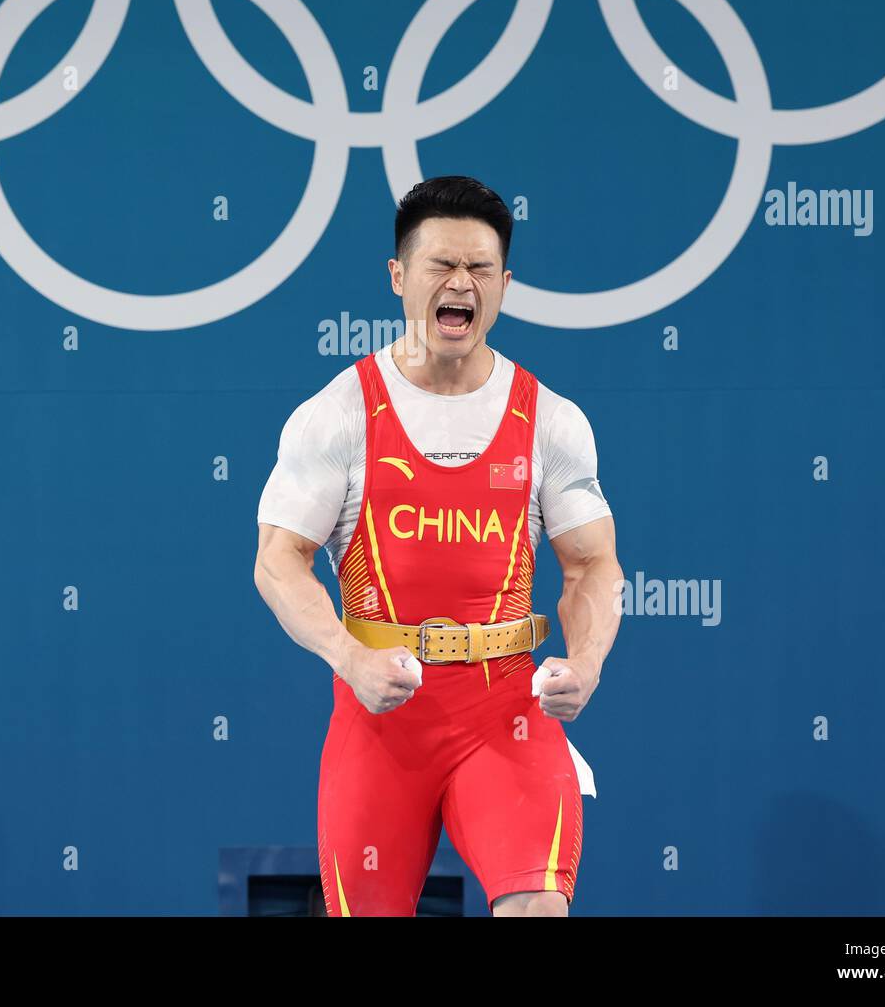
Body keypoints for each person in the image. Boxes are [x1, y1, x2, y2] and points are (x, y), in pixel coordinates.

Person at [254, 175, 624, 917]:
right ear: (399, 276)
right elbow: (277, 560)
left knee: (537, 906)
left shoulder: (550, 419)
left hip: (508, 713)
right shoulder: (337, 416)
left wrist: (586, 662)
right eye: (440, 265)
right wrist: (348, 657)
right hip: (382, 716)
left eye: (480, 269)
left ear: (505, 285)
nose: (461, 284)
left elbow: (591, 565)